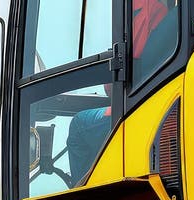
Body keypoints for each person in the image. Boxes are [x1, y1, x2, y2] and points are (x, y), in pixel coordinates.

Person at [67, 0, 176, 183]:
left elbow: (125, 68)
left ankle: (84, 194)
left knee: (79, 125)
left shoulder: (139, 9)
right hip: (154, 100)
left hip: (137, 108)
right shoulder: (162, 13)